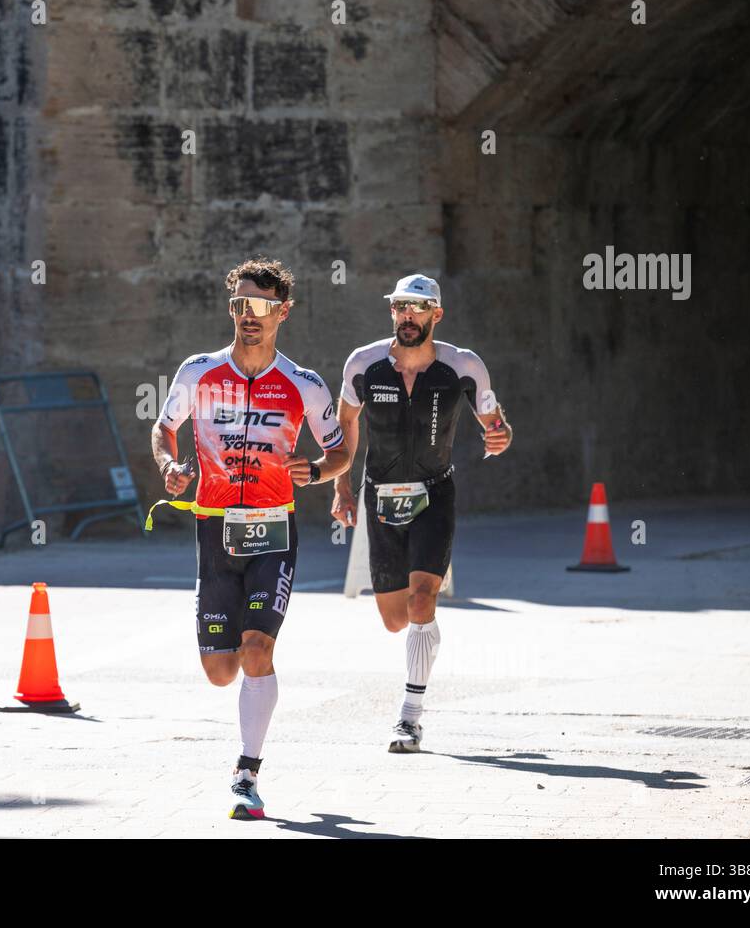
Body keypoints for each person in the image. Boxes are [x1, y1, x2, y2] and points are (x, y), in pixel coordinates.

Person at [150, 258, 349, 819]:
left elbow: (339, 452)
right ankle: (242, 677)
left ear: (283, 312)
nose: (248, 316)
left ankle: (246, 772)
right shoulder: (198, 373)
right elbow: (163, 430)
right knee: (221, 670)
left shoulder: (305, 384)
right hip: (214, 530)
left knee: (258, 649)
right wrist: (169, 464)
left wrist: (320, 472)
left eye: (261, 306)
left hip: (273, 530)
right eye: (239, 305)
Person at [331, 274, 511, 753]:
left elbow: (493, 419)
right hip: (380, 495)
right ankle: (420, 642)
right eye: (399, 308)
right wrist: (342, 488)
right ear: (392, 312)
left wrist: (500, 433)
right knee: (394, 618)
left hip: (435, 493)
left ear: (437, 314)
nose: (407, 316)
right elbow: (345, 424)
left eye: (418, 308)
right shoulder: (363, 364)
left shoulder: (463, 365)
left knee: (421, 599)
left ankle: (409, 719)